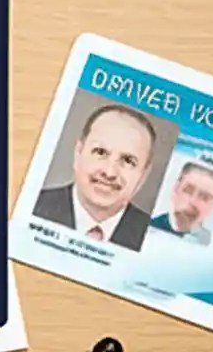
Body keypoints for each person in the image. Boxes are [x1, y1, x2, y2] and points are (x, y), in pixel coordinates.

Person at [33, 104, 156, 252]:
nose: (110, 172)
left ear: (144, 174)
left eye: (128, 161)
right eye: (100, 152)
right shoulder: (32, 205)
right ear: (78, 153)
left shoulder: (155, 239)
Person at [151, 162, 213, 245]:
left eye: (205, 197)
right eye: (188, 190)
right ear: (176, 188)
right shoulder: (150, 228)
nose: (193, 201)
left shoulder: (211, 242)